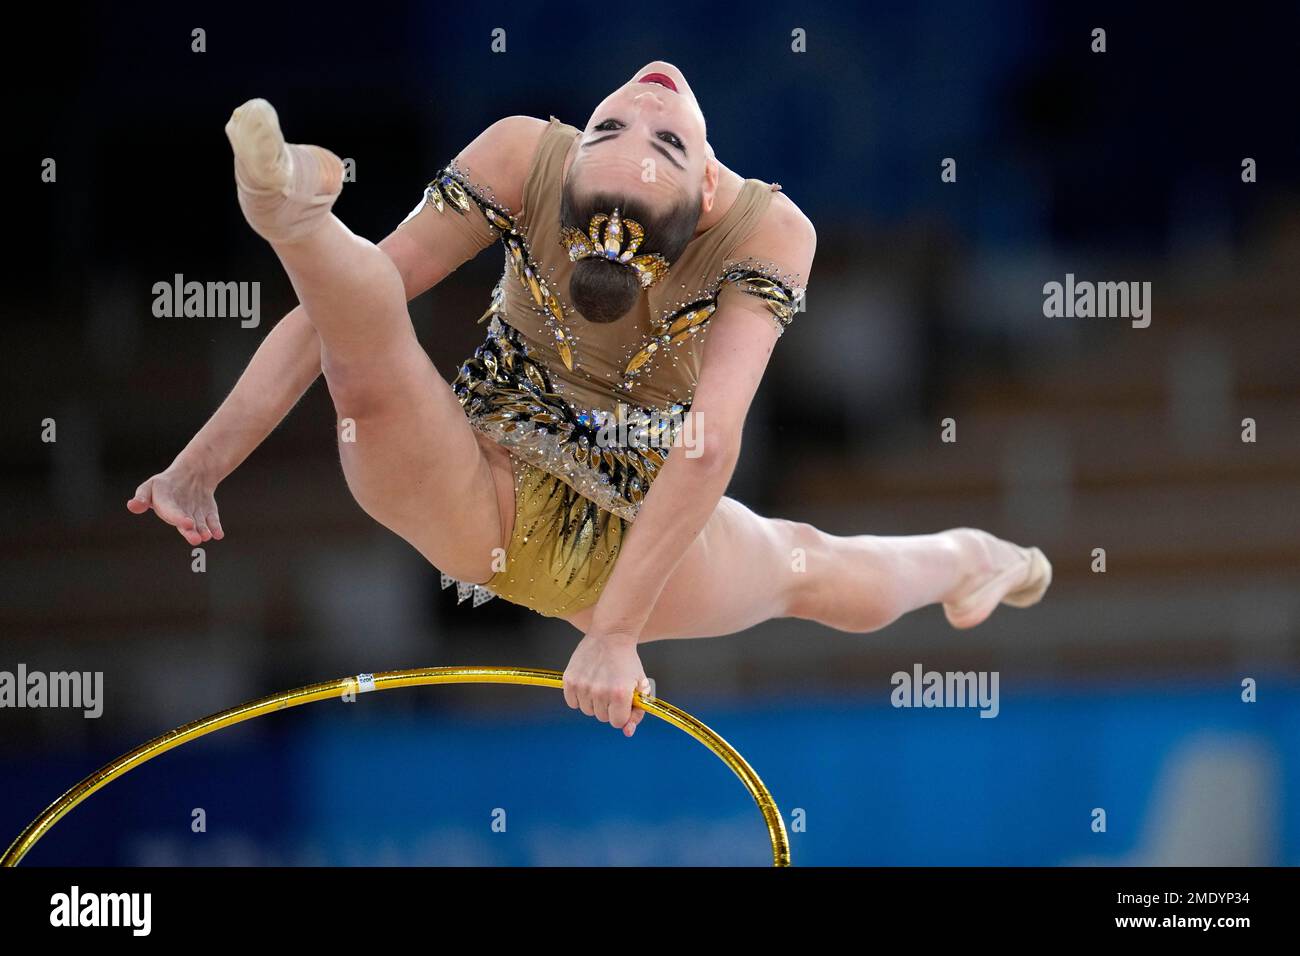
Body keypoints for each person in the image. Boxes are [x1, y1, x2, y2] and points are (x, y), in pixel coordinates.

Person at [128, 61, 1051, 739]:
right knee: (362, 331)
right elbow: (326, 321)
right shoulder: (523, 153)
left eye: (663, 141)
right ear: (570, 169)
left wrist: (614, 633)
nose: (644, 108)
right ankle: (302, 225)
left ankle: (973, 556)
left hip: (632, 541)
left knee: (816, 569)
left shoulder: (765, 232)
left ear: (708, 185)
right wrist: (198, 469)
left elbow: (708, 443)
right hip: (475, 476)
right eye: (613, 132)